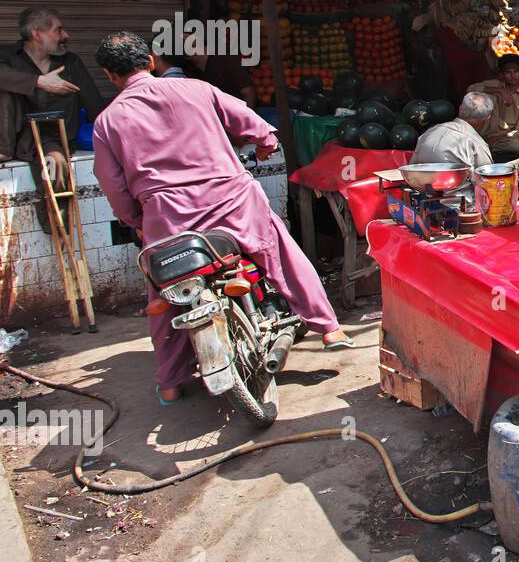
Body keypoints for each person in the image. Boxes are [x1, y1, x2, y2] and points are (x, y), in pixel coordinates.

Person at [90, 31, 351, 404]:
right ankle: (328, 329)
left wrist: (138, 220)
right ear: (150, 61)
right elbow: (254, 124)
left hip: (168, 218)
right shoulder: (197, 89)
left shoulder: (107, 121)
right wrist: (266, 144)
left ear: (109, 75)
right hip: (230, 202)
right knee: (277, 251)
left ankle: (170, 380)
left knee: (164, 291)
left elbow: (113, 185)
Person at [0, 9, 108, 233]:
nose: (65, 35)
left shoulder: (70, 62)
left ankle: (56, 224)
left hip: (53, 137)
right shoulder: (8, 56)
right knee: (5, 89)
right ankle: (3, 149)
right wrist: (39, 81)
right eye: (58, 30)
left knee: (56, 165)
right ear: (36, 33)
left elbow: (94, 104)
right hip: (19, 134)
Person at [467, 54, 519, 160]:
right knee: (487, 97)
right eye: (508, 72)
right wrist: (499, 91)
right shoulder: (495, 84)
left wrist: (497, 138)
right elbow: (471, 89)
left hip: (503, 135)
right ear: (502, 74)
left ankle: (483, 146)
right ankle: (482, 143)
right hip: (485, 128)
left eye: (516, 71)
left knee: (515, 145)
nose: (512, 76)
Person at [412, 91, 494, 173]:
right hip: (455, 184)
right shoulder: (477, 143)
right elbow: (487, 175)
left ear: (460, 108)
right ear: (487, 118)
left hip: (420, 183)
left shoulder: (429, 132)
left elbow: (412, 167)